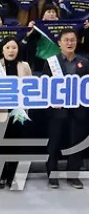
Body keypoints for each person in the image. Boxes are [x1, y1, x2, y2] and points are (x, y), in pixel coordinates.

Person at [0, 37, 33, 189]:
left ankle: (12, 176)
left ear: (18, 49)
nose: (11, 51)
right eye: (8, 47)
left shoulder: (24, 66)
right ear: (2, 50)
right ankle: (0, 175)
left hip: (18, 112)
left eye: (14, 47)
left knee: (15, 145)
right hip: (0, 111)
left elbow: (31, 85)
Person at [43, 29, 88, 189]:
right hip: (57, 110)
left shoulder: (85, 62)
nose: (69, 43)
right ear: (59, 43)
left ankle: (73, 176)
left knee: (76, 143)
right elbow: (45, 86)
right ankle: (52, 176)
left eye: (72, 40)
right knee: (54, 143)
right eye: (66, 40)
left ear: (77, 42)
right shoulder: (51, 62)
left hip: (78, 110)